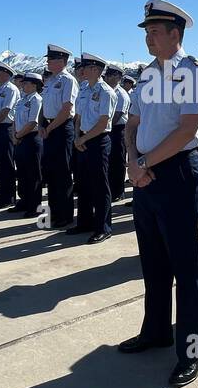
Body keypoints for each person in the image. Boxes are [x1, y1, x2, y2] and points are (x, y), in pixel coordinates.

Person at [120, 0, 198, 388]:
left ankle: (192, 350)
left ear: (176, 33)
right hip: (144, 173)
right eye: (146, 32)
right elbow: (133, 122)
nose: (148, 38)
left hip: (176, 173)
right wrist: (131, 160)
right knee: (153, 262)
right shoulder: (144, 76)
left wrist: (145, 164)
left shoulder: (192, 74)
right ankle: (155, 331)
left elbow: (188, 129)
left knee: (185, 265)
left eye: (155, 31)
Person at [69, 53, 115, 243]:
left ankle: (103, 227)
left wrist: (83, 138)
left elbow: (104, 122)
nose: (82, 71)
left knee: (99, 185)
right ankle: (84, 222)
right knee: (83, 184)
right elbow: (78, 117)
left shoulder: (106, 92)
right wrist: (78, 137)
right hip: (83, 139)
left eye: (86, 68)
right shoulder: (84, 89)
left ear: (96, 70)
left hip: (98, 140)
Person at [40, 44, 79, 229]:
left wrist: (50, 128)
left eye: (51, 59)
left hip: (61, 128)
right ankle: (54, 212)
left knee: (62, 173)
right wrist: (42, 125)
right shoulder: (49, 82)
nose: (47, 62)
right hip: (49, 127)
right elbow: (44, 106)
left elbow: (66, 109)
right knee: (51, 173)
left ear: (62, 61)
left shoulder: (67, 80)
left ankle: (65, 215)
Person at [0, 61, 20, 209]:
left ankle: (9, 196)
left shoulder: (10, 89)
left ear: (6, 74)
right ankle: (1, 193)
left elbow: (5, 111)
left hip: (5, 127)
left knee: (6, 164)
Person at [12, 73, 44, 217]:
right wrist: (15, 135)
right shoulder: (21, 100)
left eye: (26, 83)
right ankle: (24, 201)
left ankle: (35, 206)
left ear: (34, 85)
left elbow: (33, 122)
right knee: (22, 173)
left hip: (31, 138)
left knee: (33, 174)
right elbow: (15, 120)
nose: (23, 85)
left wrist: (18, 135)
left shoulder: (36, 99)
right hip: (20, 138)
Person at [104, 66, 130, 202]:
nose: (107, 78)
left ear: (118, 78)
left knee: (117, 161)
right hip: (107, 128)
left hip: (117, 129)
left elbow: (117, 116)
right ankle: (111, 189)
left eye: (111, 76)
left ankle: (118, 191)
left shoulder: (121, 94)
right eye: (107, 75)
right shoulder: (107, 91)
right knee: (109, 161)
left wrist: (104, 127)